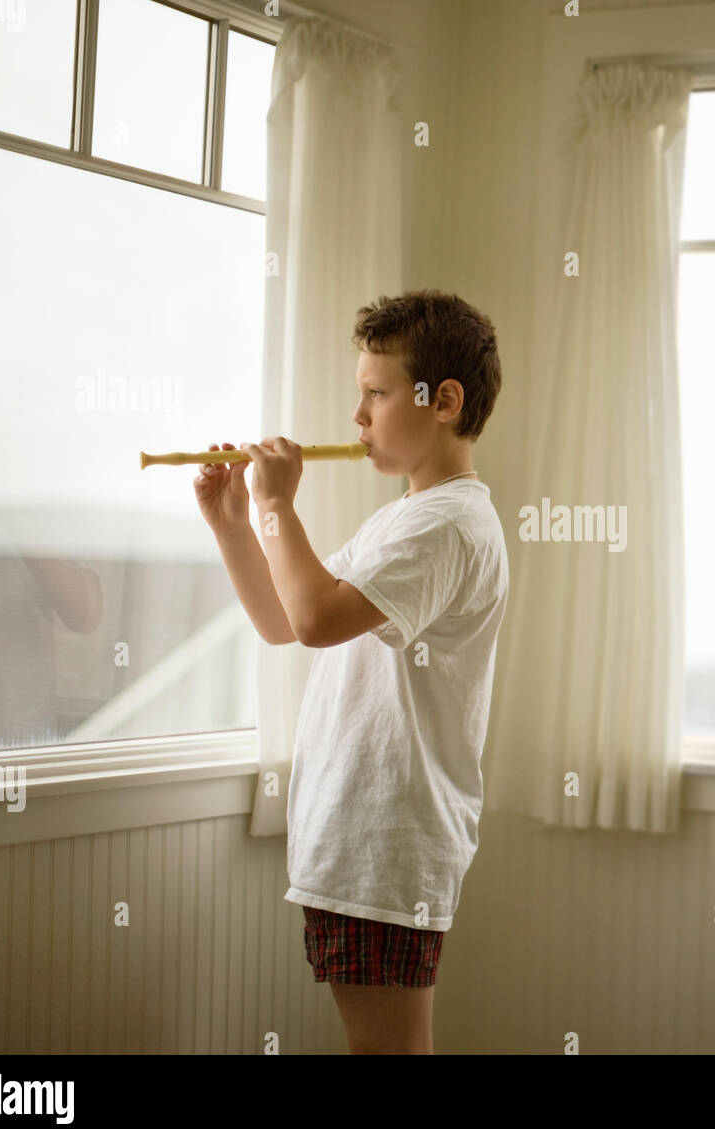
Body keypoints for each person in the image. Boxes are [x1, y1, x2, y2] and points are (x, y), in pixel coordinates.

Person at [194, 289, 508, 1054]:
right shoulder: (403, 518)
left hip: (388, 846)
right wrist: (238, 525)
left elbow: (315, 620)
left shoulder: (449, 524)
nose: (358, 417)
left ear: (444, 400)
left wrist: (278, 505)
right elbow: (284, 620)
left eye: (376, 393)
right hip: (358, 842)